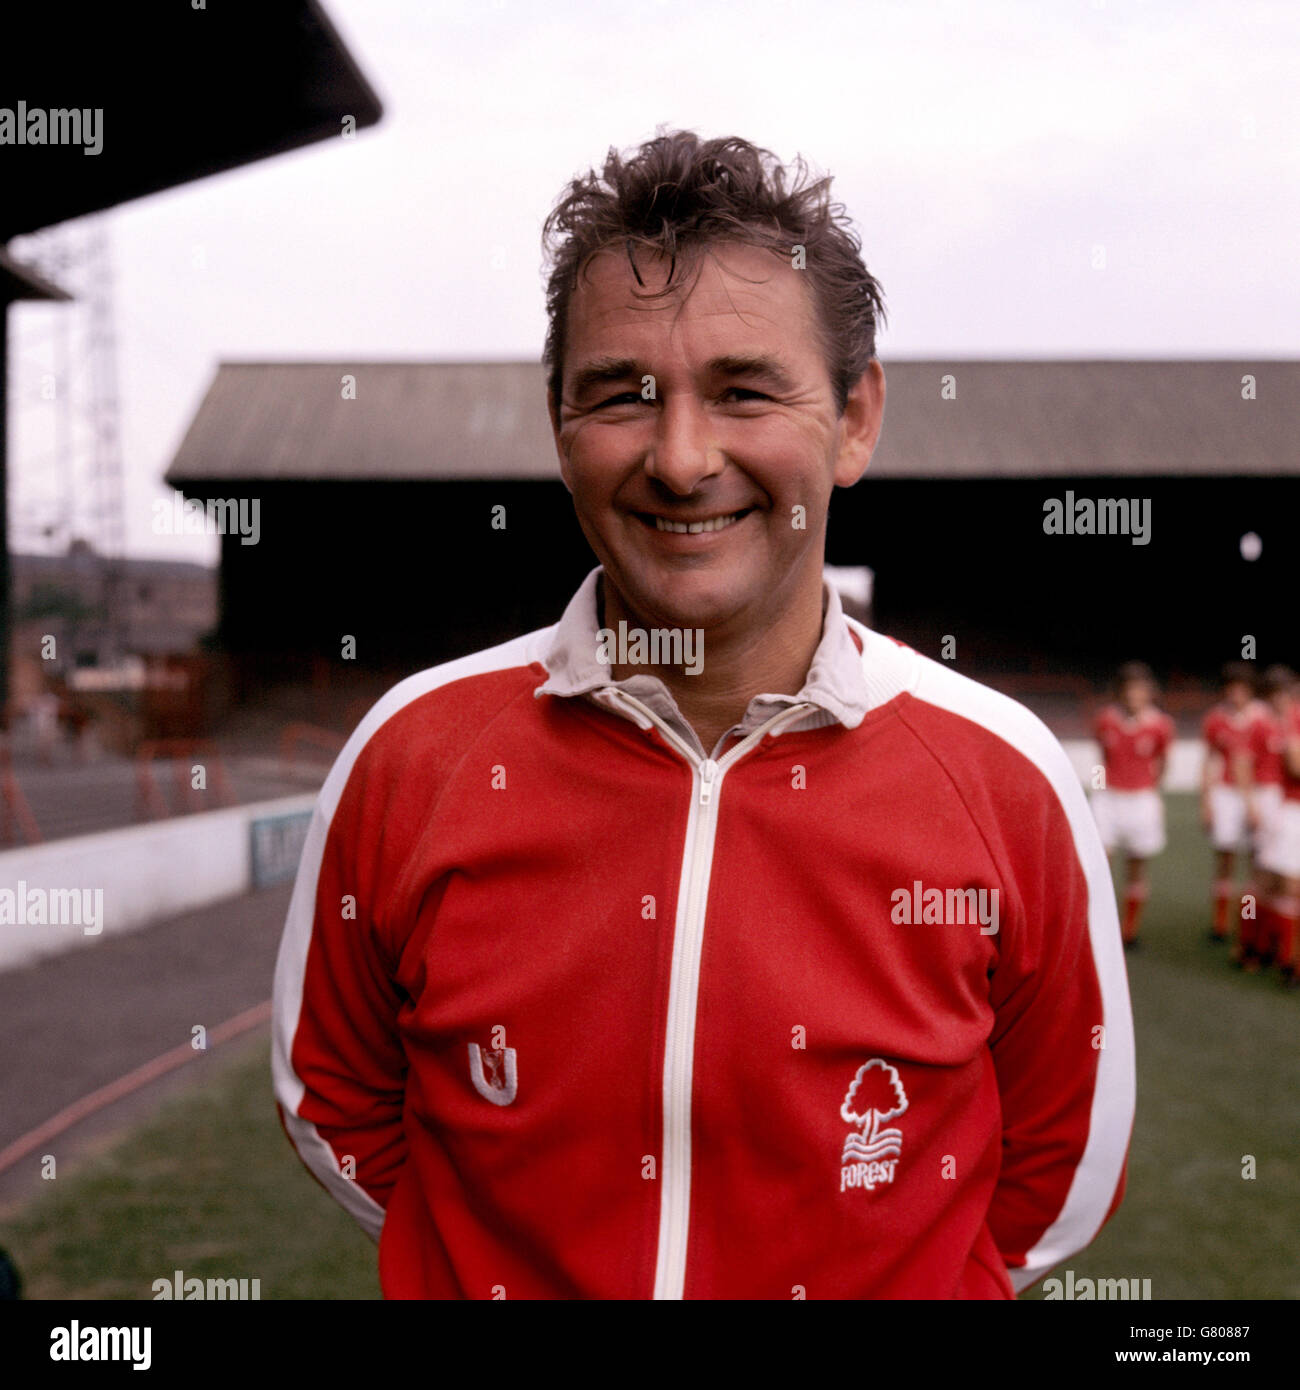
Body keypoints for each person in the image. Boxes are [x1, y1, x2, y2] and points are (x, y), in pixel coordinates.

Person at [272, 129, 1135, 1300]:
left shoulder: (1002, 775)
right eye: (622, 396)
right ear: (558, 426)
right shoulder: (414, 754)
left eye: (743, 390)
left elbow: (1057, 1168)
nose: (681, 460)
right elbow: (335, 1100)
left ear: (855, 419)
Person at [1091, 662, 1175, 948]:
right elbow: (1102, 758)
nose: (1134, 696)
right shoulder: (1106, 719)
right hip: (1109, 798)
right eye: (1129, 690)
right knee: (1100, 862)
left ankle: (1130, 929)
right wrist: (1098, 792)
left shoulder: (1161, 725)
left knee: (1136, 866)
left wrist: (1152, 792)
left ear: (1149, 693)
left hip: (1141, 800)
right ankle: (1098, 924)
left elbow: (1162, 762)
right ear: (1120, 692)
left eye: (1140, 690)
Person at [1200, 662, 1258, 942]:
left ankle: (1248, 918)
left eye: (1241, 688)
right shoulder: (1216, 719)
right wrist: (1207, 801)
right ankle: (1220, 921)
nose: (1236, 694)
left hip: (1257, 794)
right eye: (1231, 688)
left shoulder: (1262, 718)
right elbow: (1210, 759)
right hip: (1225, 793)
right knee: (1226, 858)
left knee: (1257, 860)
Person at [1253, 666, 1300, 985]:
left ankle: (1270, 949)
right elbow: (1296, 767)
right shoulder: (1287, 721)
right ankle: (1282, 956)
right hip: (1290, 809)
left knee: (1277, 882)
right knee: (1282, 882)